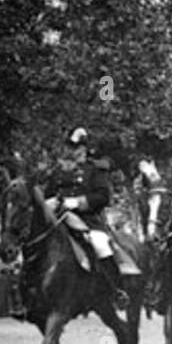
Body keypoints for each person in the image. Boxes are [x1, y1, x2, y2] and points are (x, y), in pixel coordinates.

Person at [42, 126, 133, 311]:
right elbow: (49, 193)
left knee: (100, 245)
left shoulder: (95, 170)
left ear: (85, 149)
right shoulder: (58, 171)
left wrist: (77, 202)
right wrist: (49, 202)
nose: (73, 150)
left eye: (78, 147)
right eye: (71, 146)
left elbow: (103, 197)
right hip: (59, 219)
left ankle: (117, 290)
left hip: (88, 221)